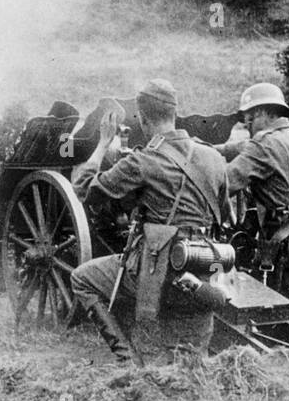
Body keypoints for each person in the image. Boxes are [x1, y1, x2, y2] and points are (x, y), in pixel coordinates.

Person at [69, 79, 229, 372]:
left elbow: (83, 190)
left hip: (158, 271)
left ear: (142, 117)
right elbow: (226, 213)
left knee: (82, 278)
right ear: (174, 113)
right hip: (203, 266)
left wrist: (103, 144)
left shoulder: (144, 161)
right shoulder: (214, 157)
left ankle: (128, 361)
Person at [215, 82, 289, 320]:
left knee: (279, 318)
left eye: (249, 120)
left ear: (265, 113)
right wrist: (209, 148)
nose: (247, 127)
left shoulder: (264, 145)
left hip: (282, 248)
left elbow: (224, 185)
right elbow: (242, 147)